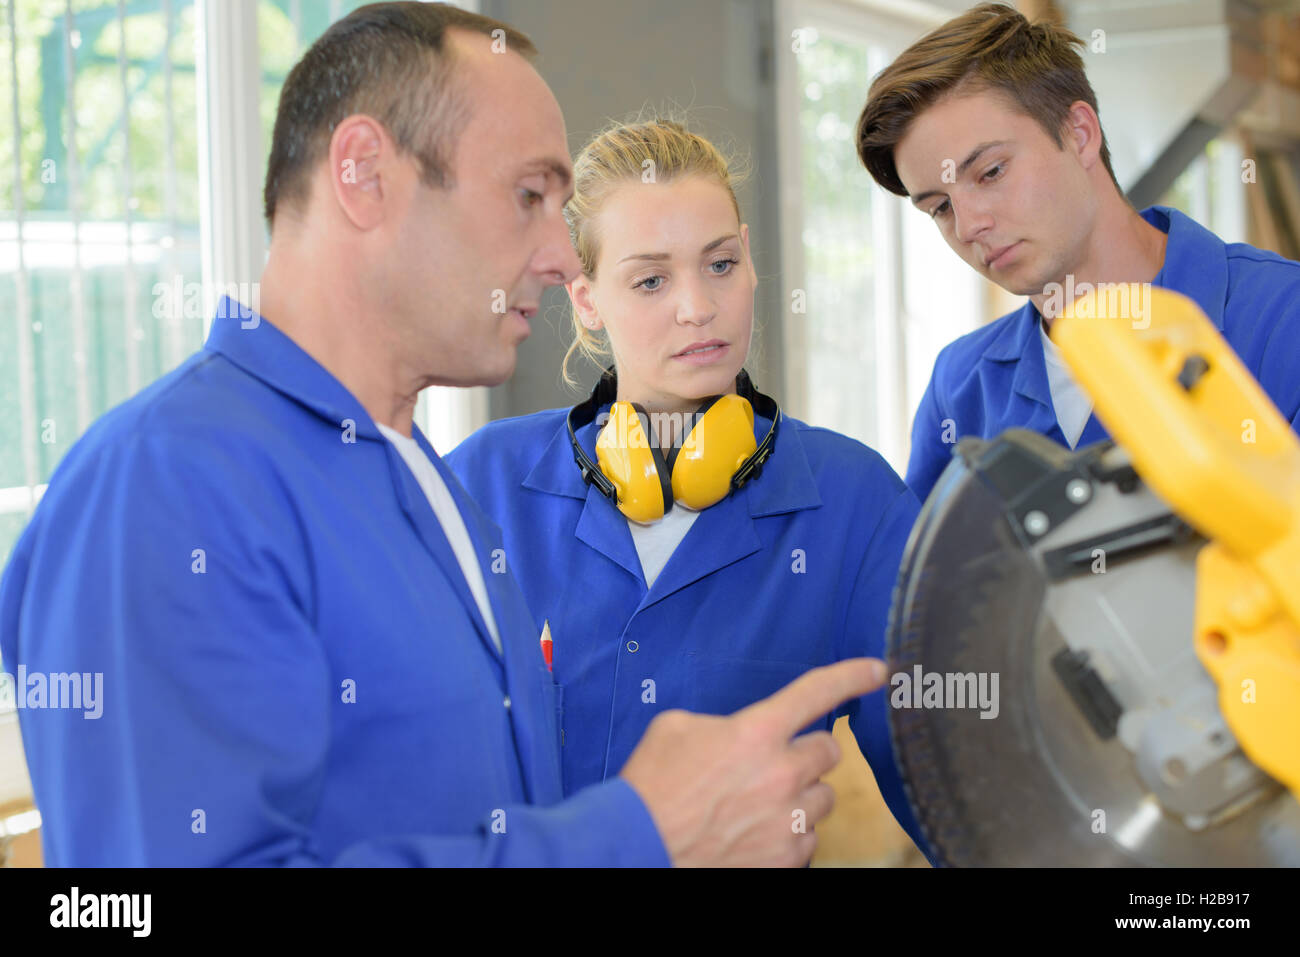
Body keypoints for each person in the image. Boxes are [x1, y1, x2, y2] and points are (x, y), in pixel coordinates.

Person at [0, 2, 885, 867]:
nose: (559, 256)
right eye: (528, 195)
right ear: (364, 175)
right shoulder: (161, 484)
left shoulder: (429, 486)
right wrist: (637, 837)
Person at [446, 118, 932, 860]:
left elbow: (952, 789)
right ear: (585, 300)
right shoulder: (484, 483)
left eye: (720, 264)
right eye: (650, 279)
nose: (697, 307)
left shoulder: (854, 503)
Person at [855, 2, 1300, 502]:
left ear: (1080, 134)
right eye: (939, 207)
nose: (970, 225)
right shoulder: (961, 388)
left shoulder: (1283, 318)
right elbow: (938, 576)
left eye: (991, 172)